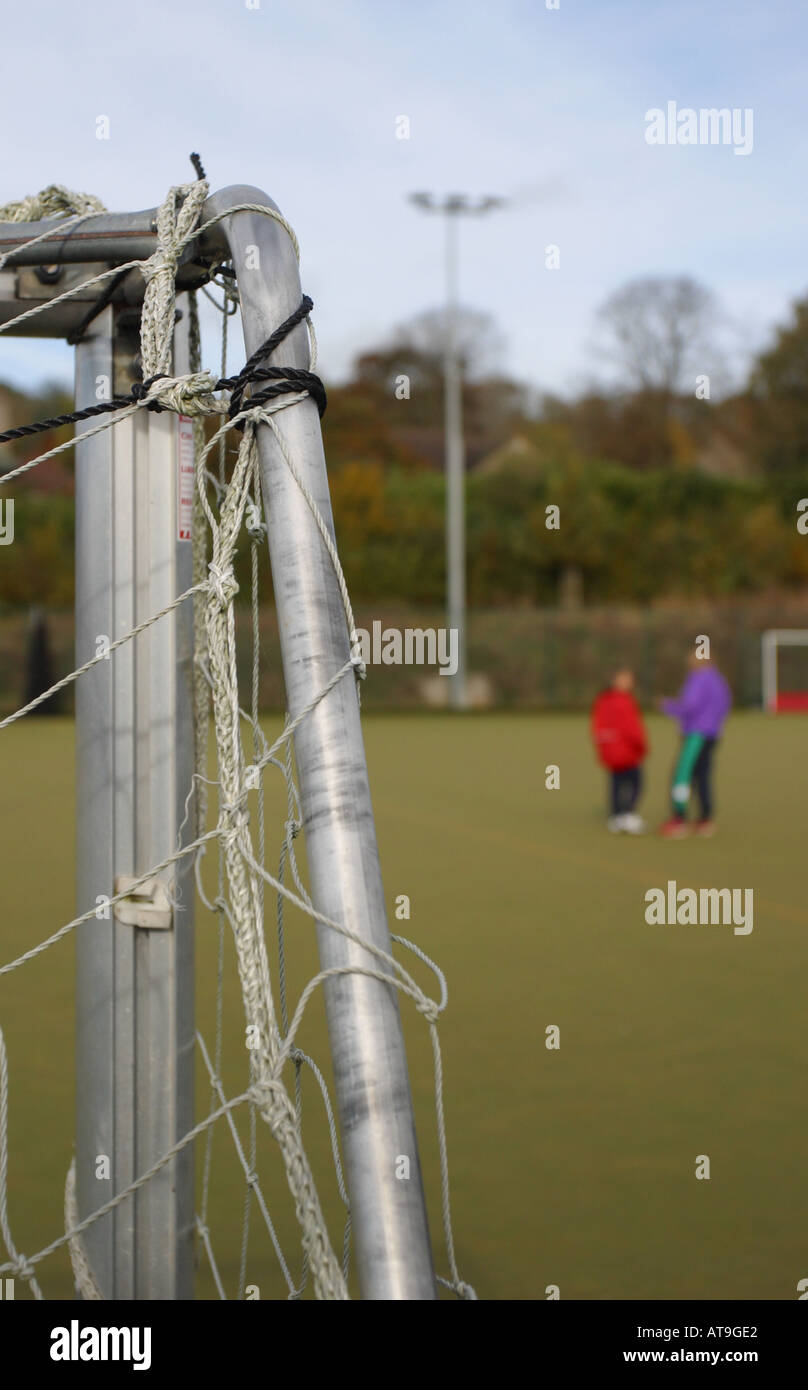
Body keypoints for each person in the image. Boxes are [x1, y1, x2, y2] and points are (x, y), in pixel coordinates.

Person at [658, 652, 732, 838]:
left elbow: (690, 705)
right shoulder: (719, 680)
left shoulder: (699, 678)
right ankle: (705, 820)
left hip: (696, 735)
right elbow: (725, 705)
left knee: (682, 775)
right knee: (703, 777)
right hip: (712, 734)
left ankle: (679, 820)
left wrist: (668, 706)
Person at [590, 668, 648, 834]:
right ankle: (627, 815)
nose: (629, 682)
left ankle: (616, 816)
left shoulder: (603, 700)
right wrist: (641, 746)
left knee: (616, 783)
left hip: (612, 751)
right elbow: (632, 729)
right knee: (636, 784)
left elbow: (597, 728)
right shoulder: (623, 701)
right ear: (615, 680)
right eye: (625, 679)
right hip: (626, 752)